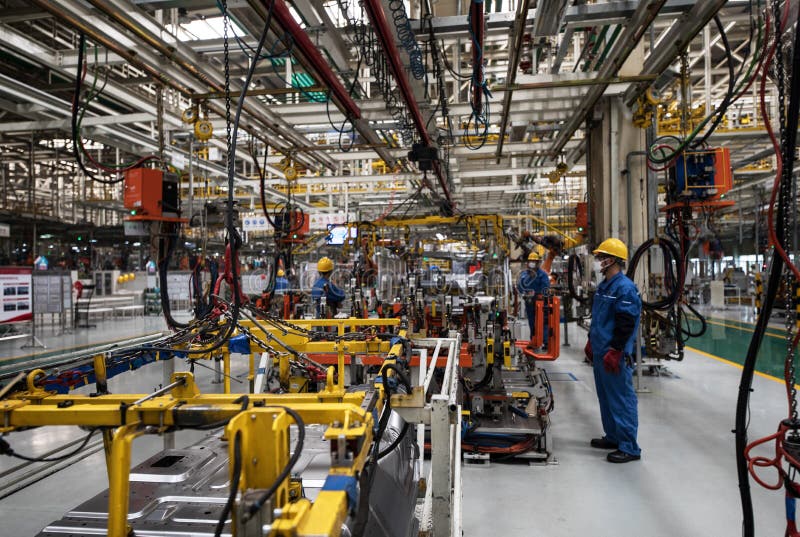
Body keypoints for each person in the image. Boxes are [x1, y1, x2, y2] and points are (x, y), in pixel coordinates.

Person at [584, 238, 643, 463]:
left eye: (602, 257)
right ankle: (613, 437)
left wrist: (616, 350)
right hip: (601, 352)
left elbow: (626, 323)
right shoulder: (604, 286)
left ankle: (629, 447)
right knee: (606, 398)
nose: (598, 261)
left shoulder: (624, 288)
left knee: (621, 399)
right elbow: (599, 318)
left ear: (612, 260)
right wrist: (591, 341)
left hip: (614, 354)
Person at [517, 248, 550, 350]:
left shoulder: (542, 274)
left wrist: (540, 294)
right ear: (528, 262)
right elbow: (520, 286)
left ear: (538, 263)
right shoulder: (524, 274)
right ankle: (534, 340)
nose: (532, 263)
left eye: (534, 261)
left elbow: (546, 288)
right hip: (529, 302)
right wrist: (524, 292)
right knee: (532, 322)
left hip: (541, 302)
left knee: (543, 321)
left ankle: (545, 341)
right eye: (530, 261)